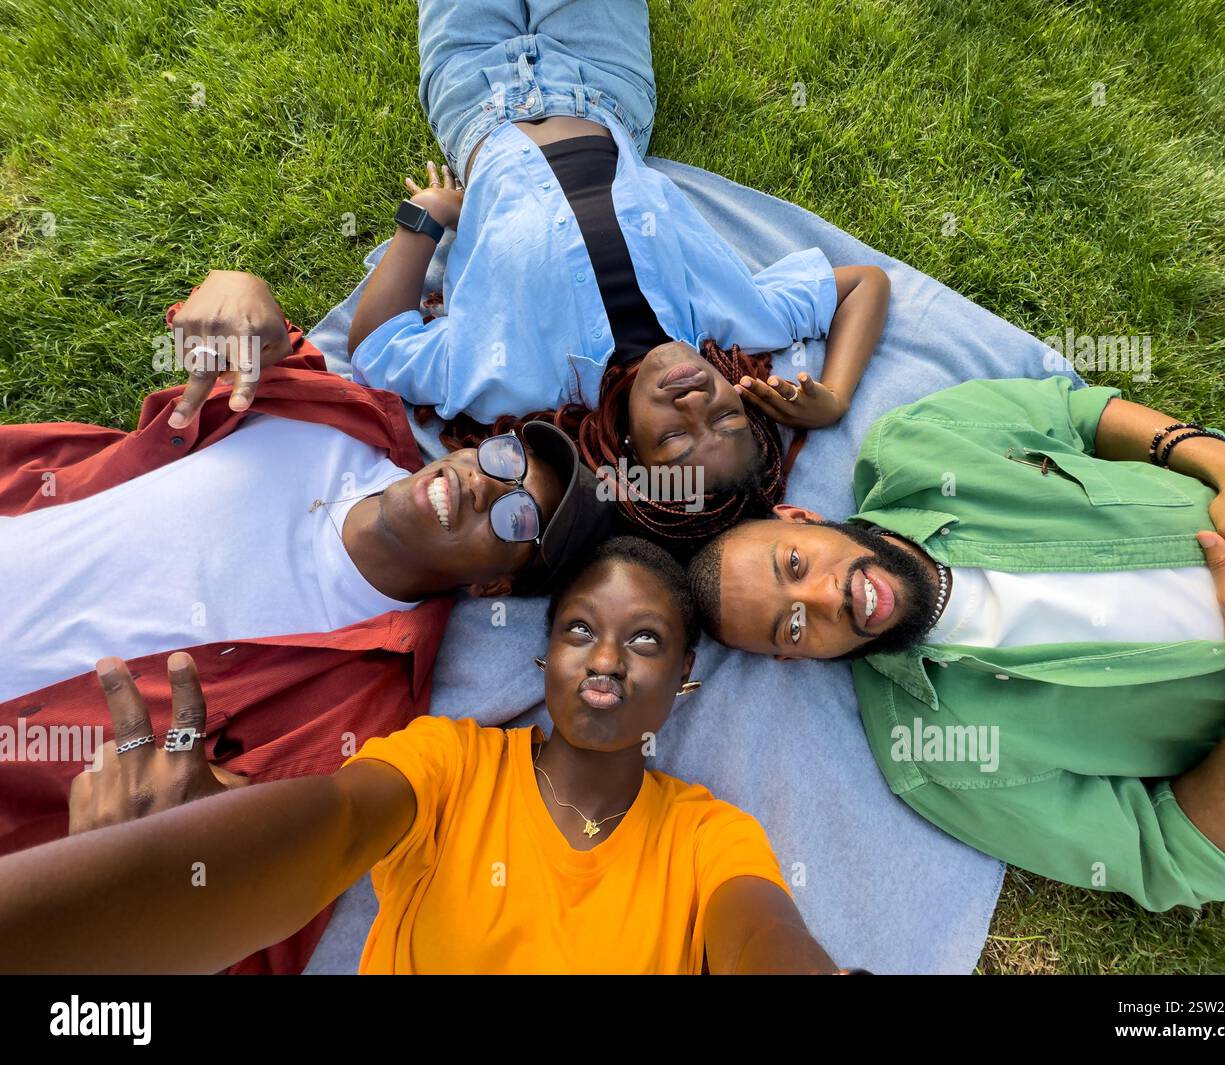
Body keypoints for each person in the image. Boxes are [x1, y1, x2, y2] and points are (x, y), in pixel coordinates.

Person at [0, 283, 614, 972]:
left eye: (517, 520)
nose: (487, 488)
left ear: (492, 584)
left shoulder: (360, 712)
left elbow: (258, 900)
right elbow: (245, 336)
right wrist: (237, 292)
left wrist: (191, 844)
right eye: (508, 463)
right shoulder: (352, 418)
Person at [175, 0, 890, 547]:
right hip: (603, 81)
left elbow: (379, 351)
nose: (695, 402)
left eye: (675, 438)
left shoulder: (511, 380)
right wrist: (831, 396)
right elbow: (864, 285)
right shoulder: (738, 321)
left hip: (475, 98)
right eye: (727, 416)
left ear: (624, 446)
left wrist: (424, 220)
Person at [0, 538, 840, 975]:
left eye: (646, 640)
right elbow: (334, 825)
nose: (607, 659)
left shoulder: (706, 834)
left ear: (684, 676)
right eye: (580, 630)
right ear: (543, 657)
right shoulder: (453, 763)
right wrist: (159, 867)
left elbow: (760, 933)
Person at [687, 375, 1225, 911]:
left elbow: (1080, 415)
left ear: (801, 519)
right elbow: (1180, 858)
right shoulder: (936, 754)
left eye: (794, 564)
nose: (825, 598)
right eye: (792, 625)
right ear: (792, 658)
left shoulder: (917, 446)